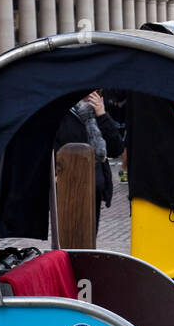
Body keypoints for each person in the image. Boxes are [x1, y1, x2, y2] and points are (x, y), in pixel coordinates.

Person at [53, 90, 125, 232]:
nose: (94, 93)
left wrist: (102, 115)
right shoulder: (61, 112)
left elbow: (116, 148)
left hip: (93, 185)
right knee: (69, 235)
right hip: (67, 184)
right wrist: (56, 173)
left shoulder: (96, 114)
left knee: (89, 235)